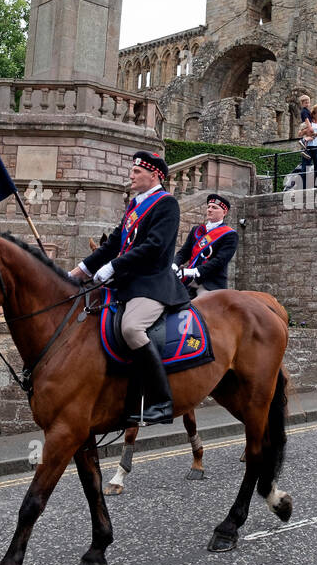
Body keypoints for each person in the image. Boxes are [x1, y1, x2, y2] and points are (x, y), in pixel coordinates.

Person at [71, 151, 189, 426]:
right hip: (126, 283)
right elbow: (114, 243)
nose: (131, 175)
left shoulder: (167, 204)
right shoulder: (135, 205)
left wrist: (113, 267)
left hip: (152, 283)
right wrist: (79, 271)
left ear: (154, 175)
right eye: (132, 171)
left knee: (131, 328)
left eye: (137, 172)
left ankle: (161, 402)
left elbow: (154, 247)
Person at [173, 194, 238, 295]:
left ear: (224, 212)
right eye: (208, 207)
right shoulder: (197, 230)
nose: (209, 210)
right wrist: (174, 265)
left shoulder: (230, 234)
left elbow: (219, 261)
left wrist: (192, 271)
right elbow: (184, 252)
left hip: (210, 283)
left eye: (214, 207)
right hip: (188, 279)